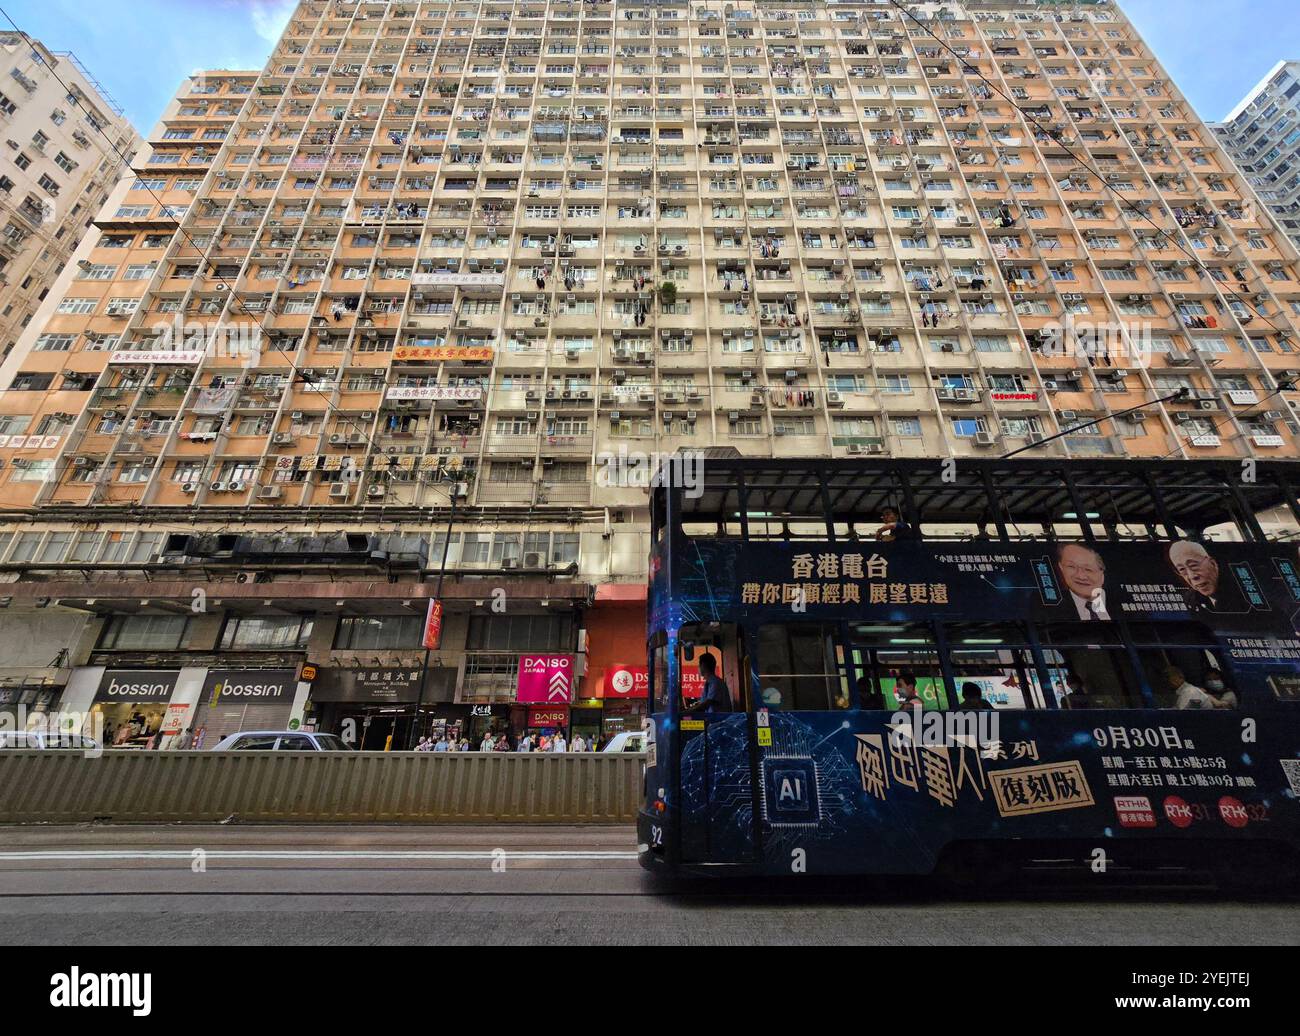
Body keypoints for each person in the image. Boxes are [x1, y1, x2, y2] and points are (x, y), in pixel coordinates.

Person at [1168, 541, 1248, 614]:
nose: (1192, 576)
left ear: (1213, 563)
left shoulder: (1243, 591)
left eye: (1193, 565)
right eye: (1182, 569)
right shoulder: (1189, 600)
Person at [1055, 543, 1110, 621]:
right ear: (1061, 567)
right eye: (1071, 566)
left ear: (1102, 574)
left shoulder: (1123, 600)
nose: (1080, 576)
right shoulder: (1048, 604)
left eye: (1088, 569)